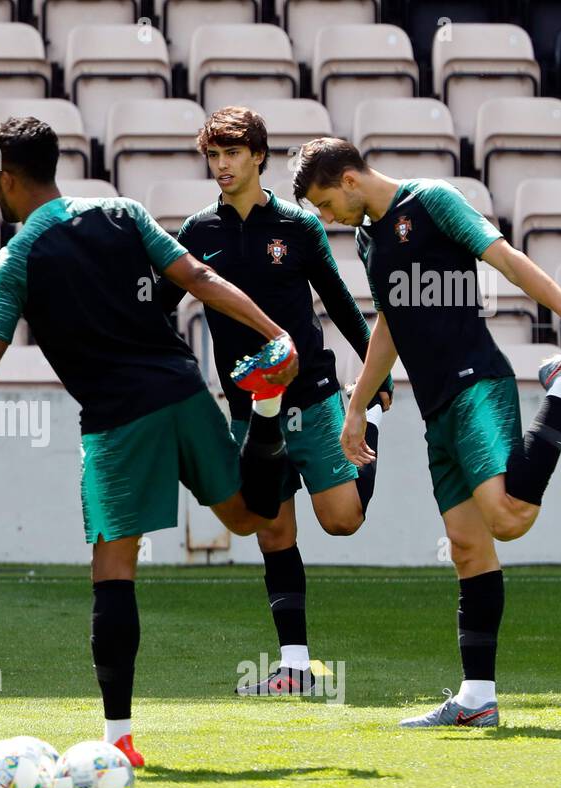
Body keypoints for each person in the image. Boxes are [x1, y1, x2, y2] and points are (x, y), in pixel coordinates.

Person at [0, 116, 299, 766]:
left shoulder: (16, 260)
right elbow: (197, 276)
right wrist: (273, 331)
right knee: (251, 516)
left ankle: (118, 741)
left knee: (114, 570)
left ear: (1, 175)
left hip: (119, 423)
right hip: (183, 390)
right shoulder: (122, 211)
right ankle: (266, 406)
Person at [293, 137, 561, 727]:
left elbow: (508, 259)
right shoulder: (370, 236)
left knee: (507, 518)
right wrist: (357, 406)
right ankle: (477, 700)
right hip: (435, 407)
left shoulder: (433, 200)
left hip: (478, 384)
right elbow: (390, 322)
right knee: (469, 545)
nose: (325, 218)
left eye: (324, 204)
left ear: (349, 179)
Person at [158, 107, 393, 696]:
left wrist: (373, 375)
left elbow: (339, 302)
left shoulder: (298, 226)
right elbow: (158, 308)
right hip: (248, 411)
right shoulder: (196, 233)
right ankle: (294, 666)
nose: (221, 166)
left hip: (314, 398)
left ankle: (373, 424)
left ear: (258, 156)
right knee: (271, 529)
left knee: (342, 522)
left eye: (231, 154)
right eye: (212, 156)